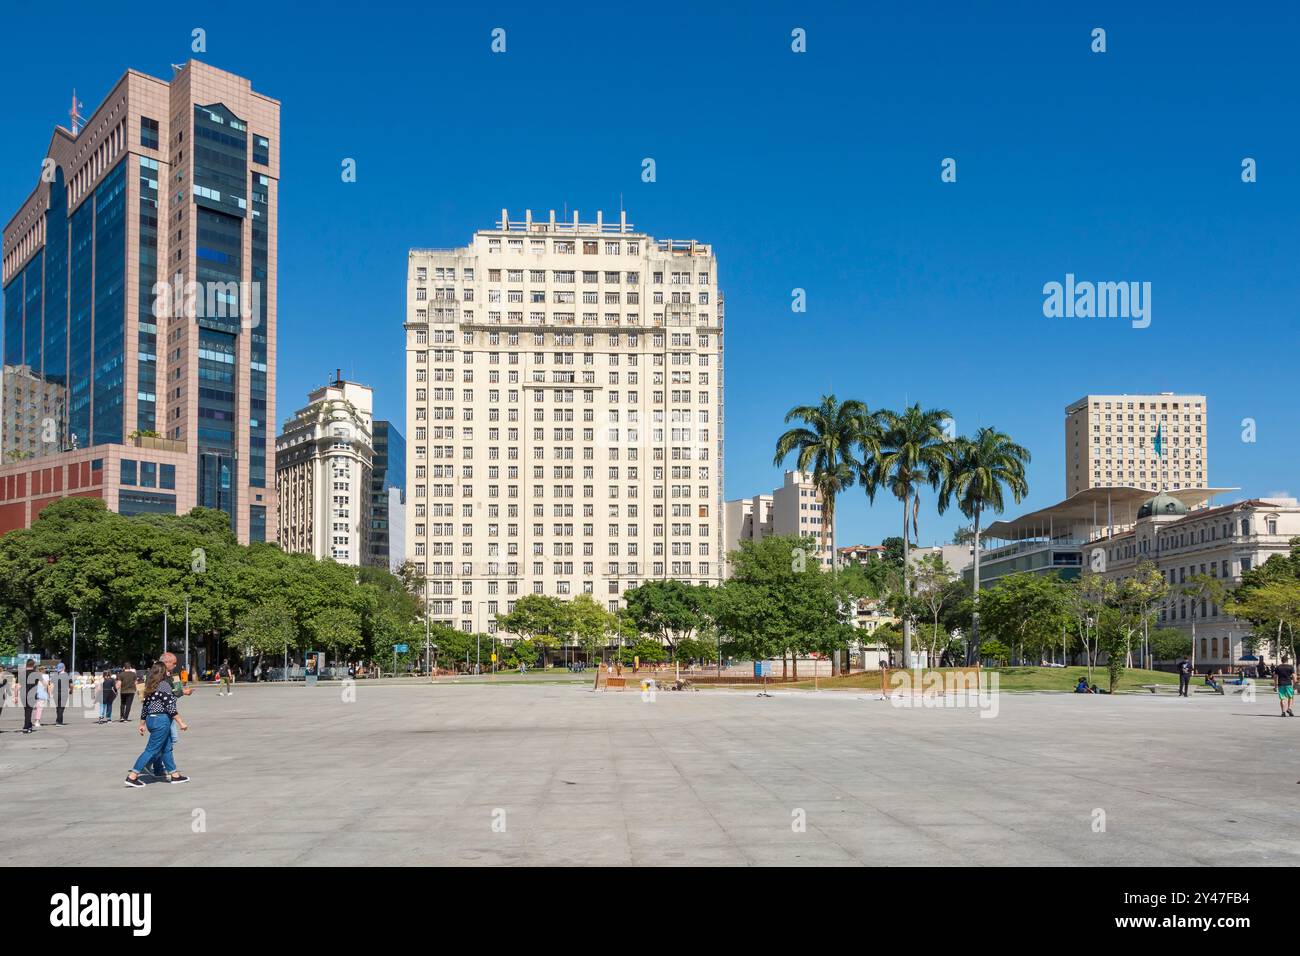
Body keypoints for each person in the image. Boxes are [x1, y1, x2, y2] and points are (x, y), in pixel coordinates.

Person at [124, 662, 189, 787]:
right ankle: (132, 776)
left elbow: (145, 706)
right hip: (161, 719)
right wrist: (180, 722)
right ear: (163, 672)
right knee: (151, 750)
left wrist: (142, 724)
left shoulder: (150, 686)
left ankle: (174, 775)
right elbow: (169, 706)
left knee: (167, 748)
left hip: (151, 719)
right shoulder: (164, 685)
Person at [148, 653, 192, 777]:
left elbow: (173, 693)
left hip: (165, 713)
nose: (175, 665)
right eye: (173, 663)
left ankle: (160, 769)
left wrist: (182, 692)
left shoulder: (167, 676)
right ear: (166, 663)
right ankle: (148, 764)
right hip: (162, 714)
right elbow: (165, 696)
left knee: (166, 742)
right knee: (166, 742)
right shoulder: (159, 677)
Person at [20, 660, 38, 733]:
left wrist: (14, 696)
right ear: (33, 665)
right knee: (29, 711)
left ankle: (28, 725)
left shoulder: (22, 674)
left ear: (26, 665)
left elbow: (18, 685)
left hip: (23, 694)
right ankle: (27, 727)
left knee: (26, 710)